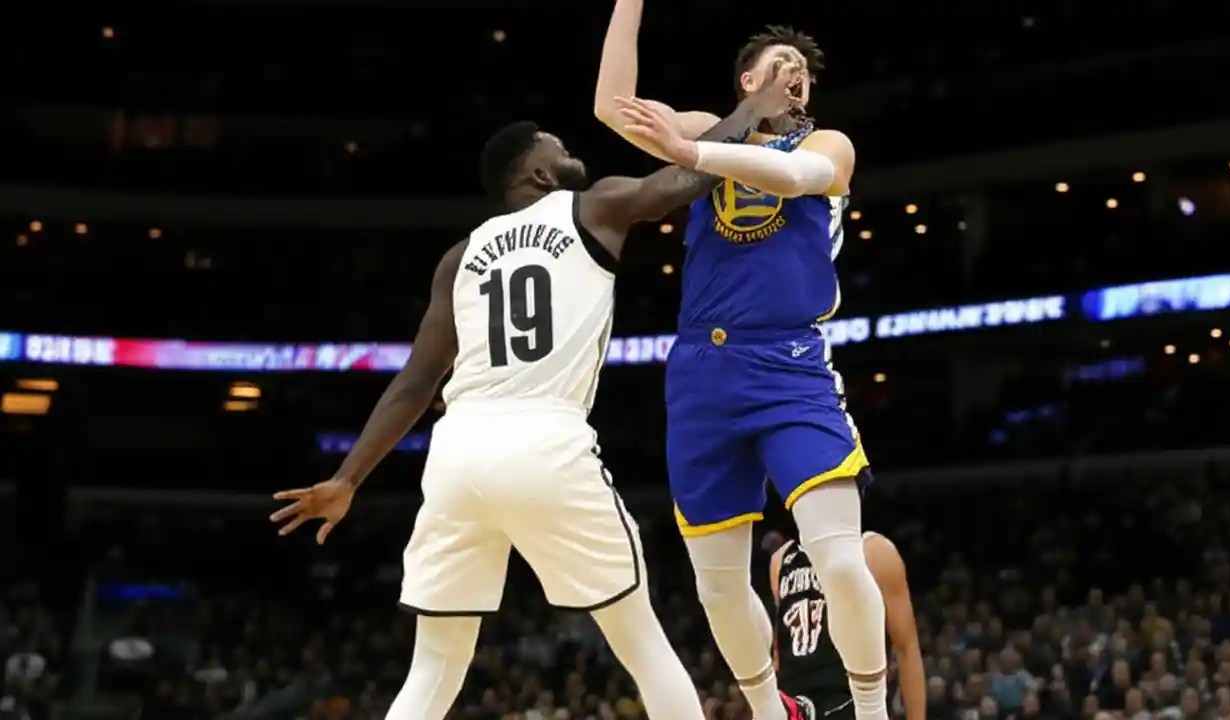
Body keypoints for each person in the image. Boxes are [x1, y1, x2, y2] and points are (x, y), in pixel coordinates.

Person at [266, 67, 801, 720]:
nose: (566, 147)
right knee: (641, 640)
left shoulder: (460, 256)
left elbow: (414, 383)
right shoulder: (590, 206)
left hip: (458, 450)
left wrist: (349, 479)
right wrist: (752, 110)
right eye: (554, 143)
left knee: (433, 665)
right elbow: (683, 182)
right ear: (538, 174)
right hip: (546, 438)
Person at [593, 3, 887, 720]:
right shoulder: (706, 127)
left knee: (841, 558)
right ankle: (768, 708)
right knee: (717, 586)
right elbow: (608, 107)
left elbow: (791, 180)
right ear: (746, 79)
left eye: (804, 74)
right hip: (701, 371)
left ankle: (872, 709)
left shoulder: (828, 143)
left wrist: (693, 155)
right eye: (781, 66)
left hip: (790, 365)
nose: (796, 78)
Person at [763, 531, 925, 720]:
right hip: (796, 703)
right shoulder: (781, 559)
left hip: (852, 701)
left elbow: (907, 648)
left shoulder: (874, 550)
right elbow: (779, 653)